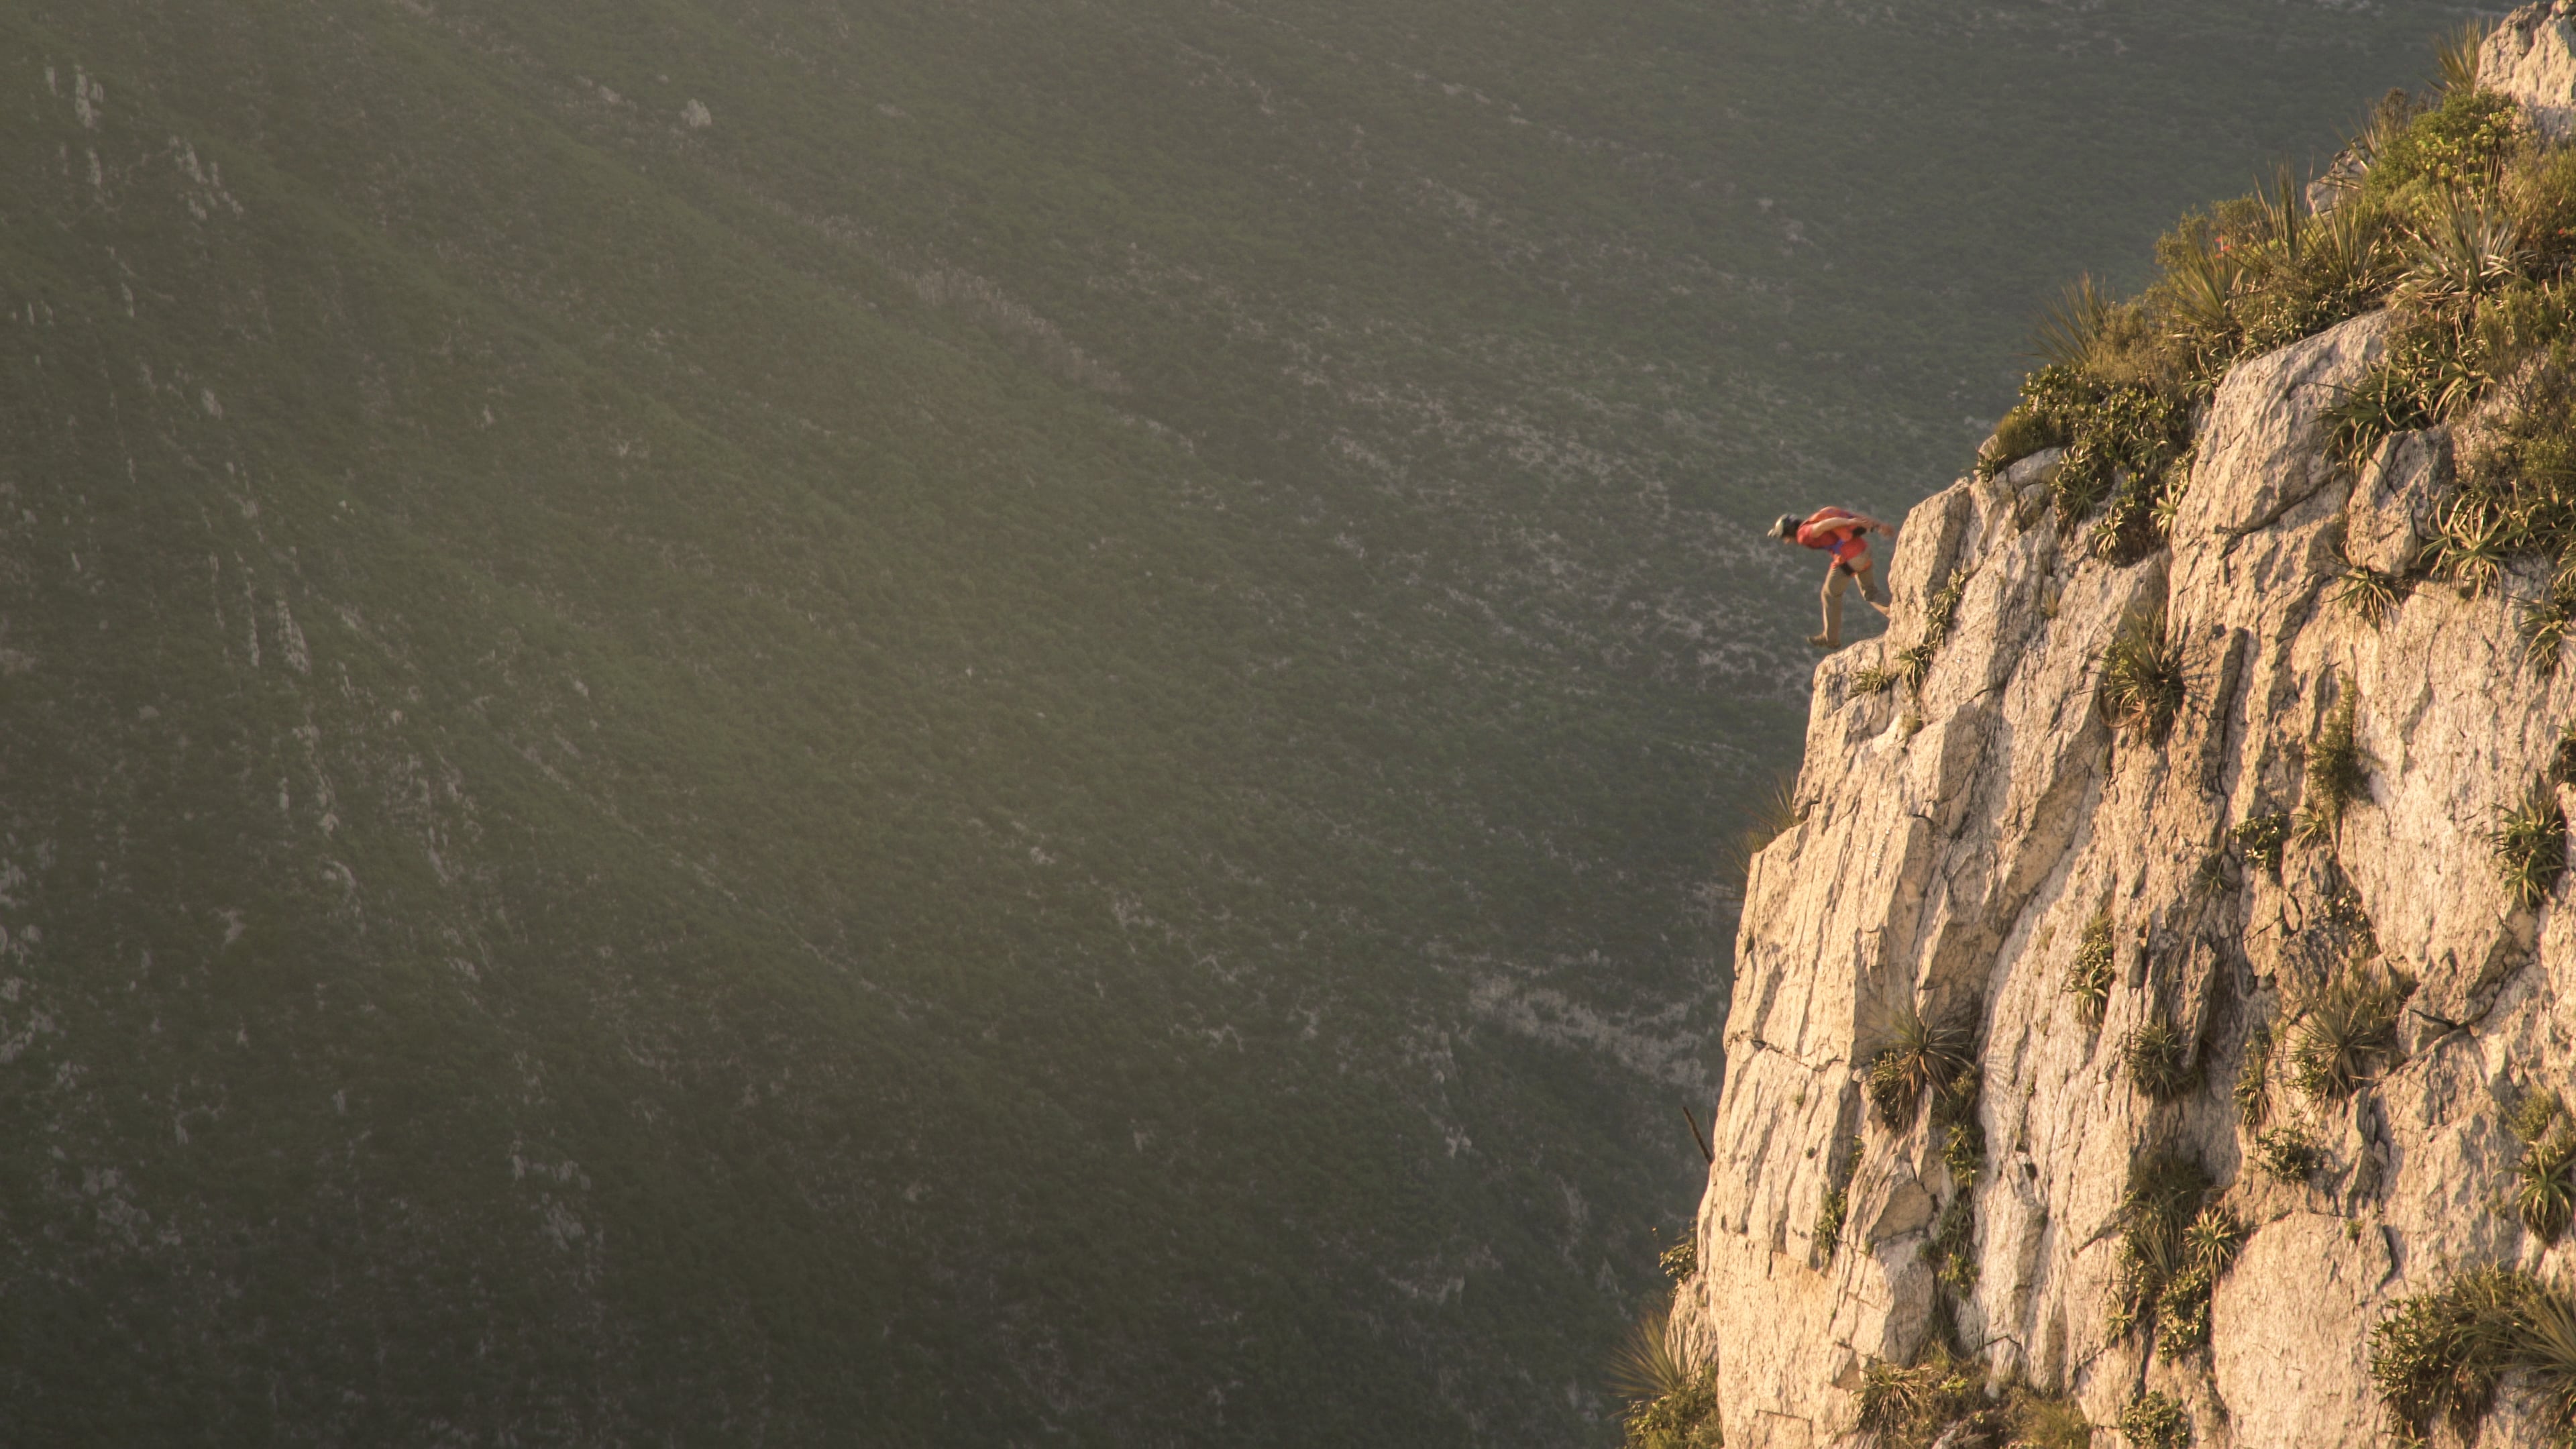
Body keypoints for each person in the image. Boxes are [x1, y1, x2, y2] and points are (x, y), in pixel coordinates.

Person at [1770, 507, 1895, 649]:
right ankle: (1896, 611)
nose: (1786, 541)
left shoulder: (1803, 533)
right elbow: (1856, 518)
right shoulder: (1816, 518)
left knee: (1829, 594)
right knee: (1870, 592)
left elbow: (1824, 525)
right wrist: (1878, 526)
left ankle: (1831, 639)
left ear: (1789, 532)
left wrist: (1848, 522)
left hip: (1849, 557)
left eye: (1784, 537)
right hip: (1863, 550)